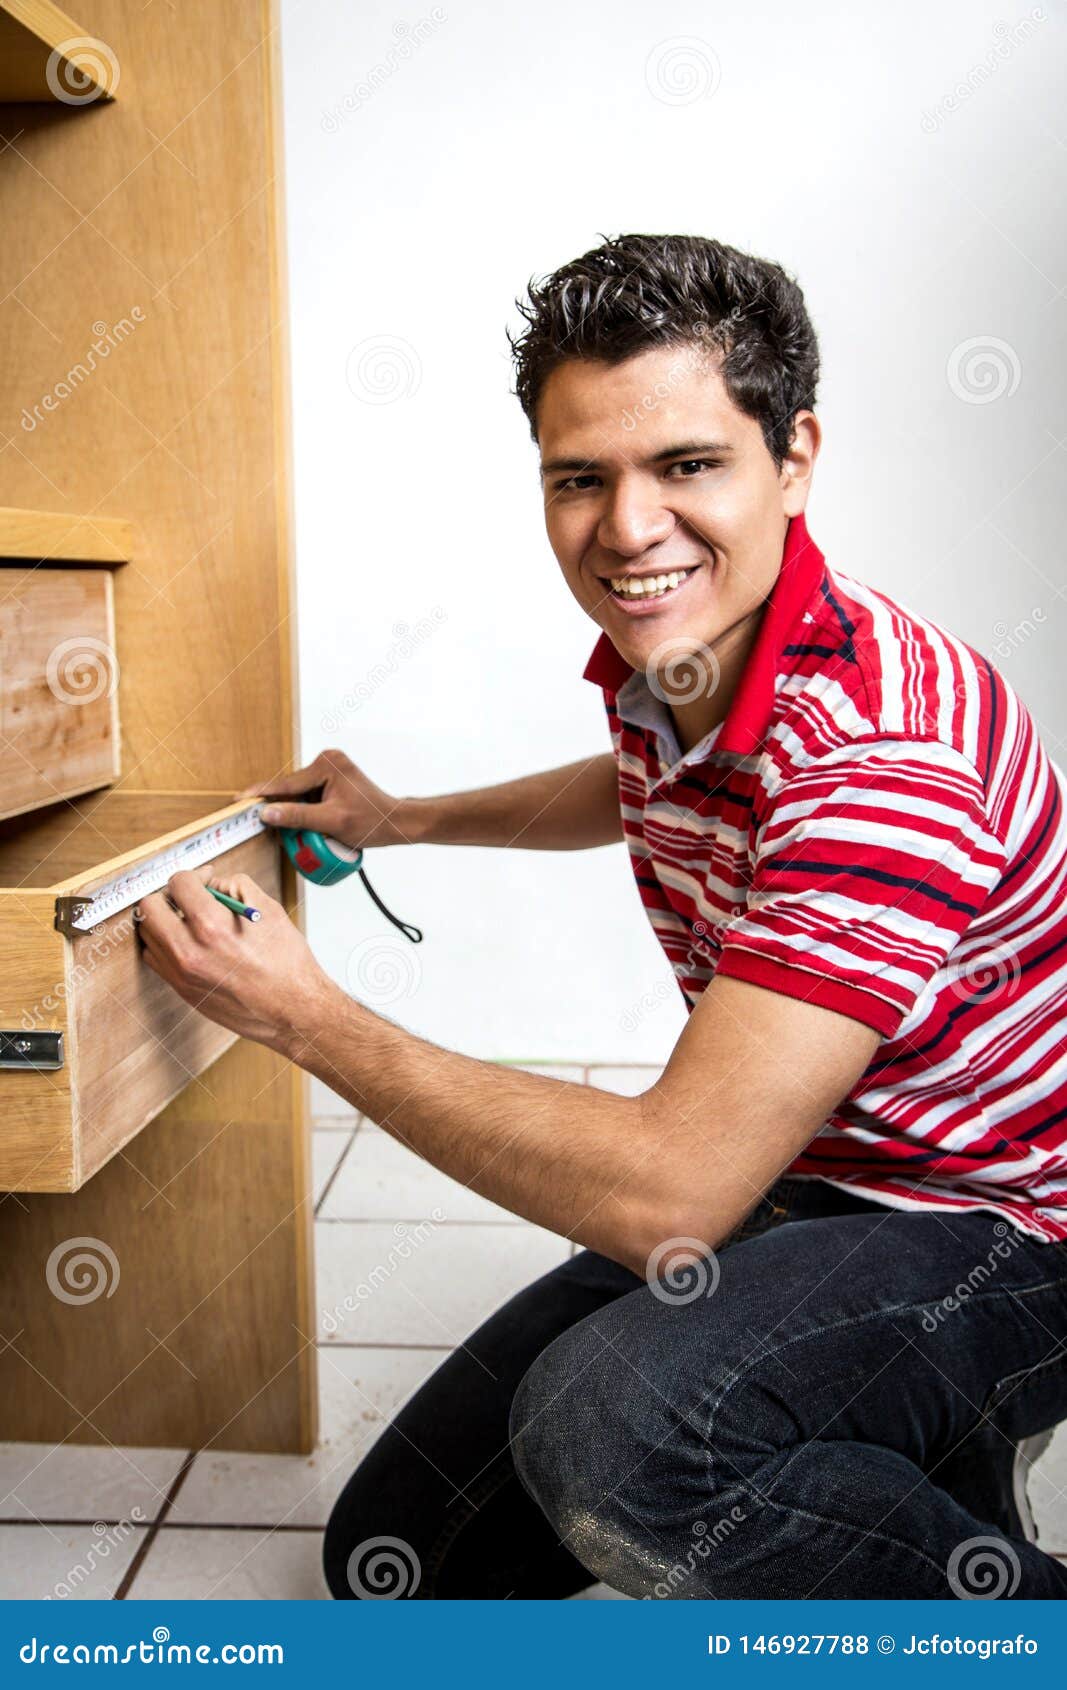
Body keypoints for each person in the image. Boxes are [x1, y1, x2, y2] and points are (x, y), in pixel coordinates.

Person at [137, 234, 1067, 1600]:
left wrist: (307, 1016)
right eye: (582, 478)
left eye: (689, 465)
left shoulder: (882, 758)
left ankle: (1000, 1588)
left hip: (1002, 1231)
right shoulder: (687, 664)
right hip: (805, 1179)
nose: (628, 529)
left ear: (793, 453)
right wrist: (402, 818)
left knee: (619, 1428)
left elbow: (668, 1190)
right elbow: (638, 785)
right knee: (400, 1560)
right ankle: (904, 1444)